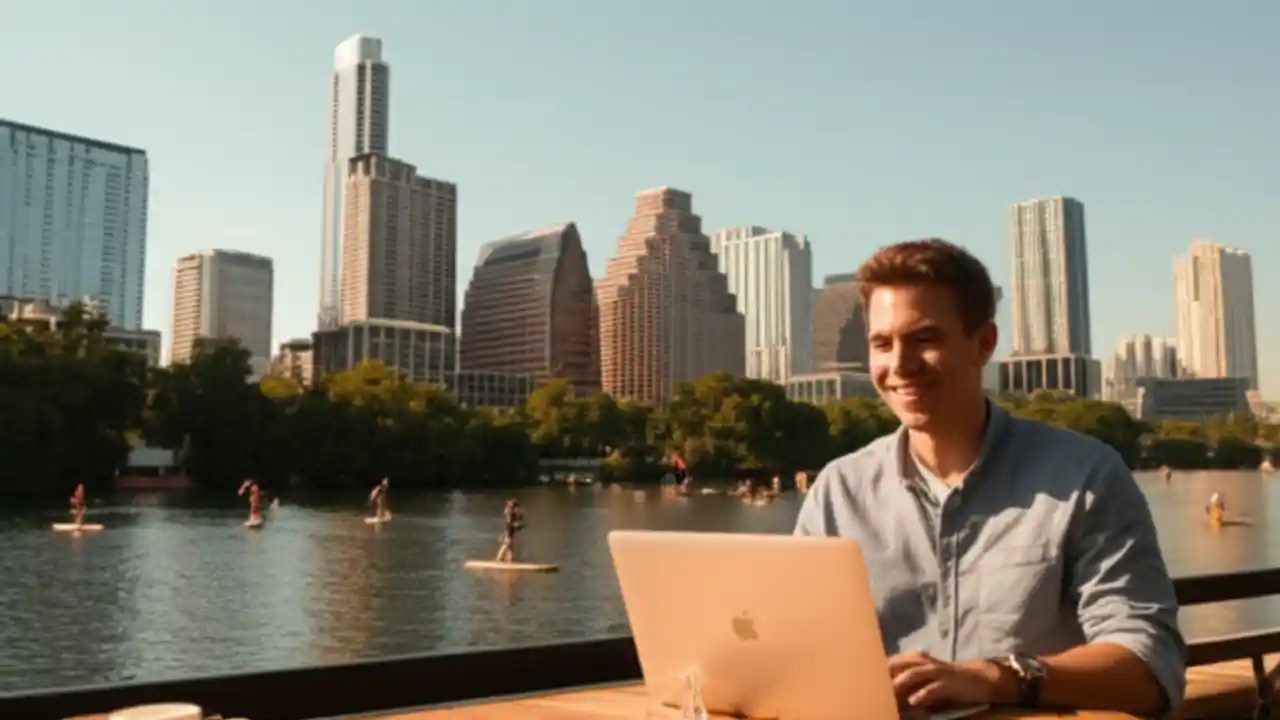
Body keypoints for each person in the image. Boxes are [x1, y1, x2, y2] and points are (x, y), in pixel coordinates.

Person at [794, 239, 1185, 716]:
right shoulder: (838, 491)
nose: (899, 365)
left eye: (924, 340)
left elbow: (1150, 665)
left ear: (983, 344)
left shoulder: (1085, 477)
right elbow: (798, 650)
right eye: (881, 343)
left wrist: (995, 677)